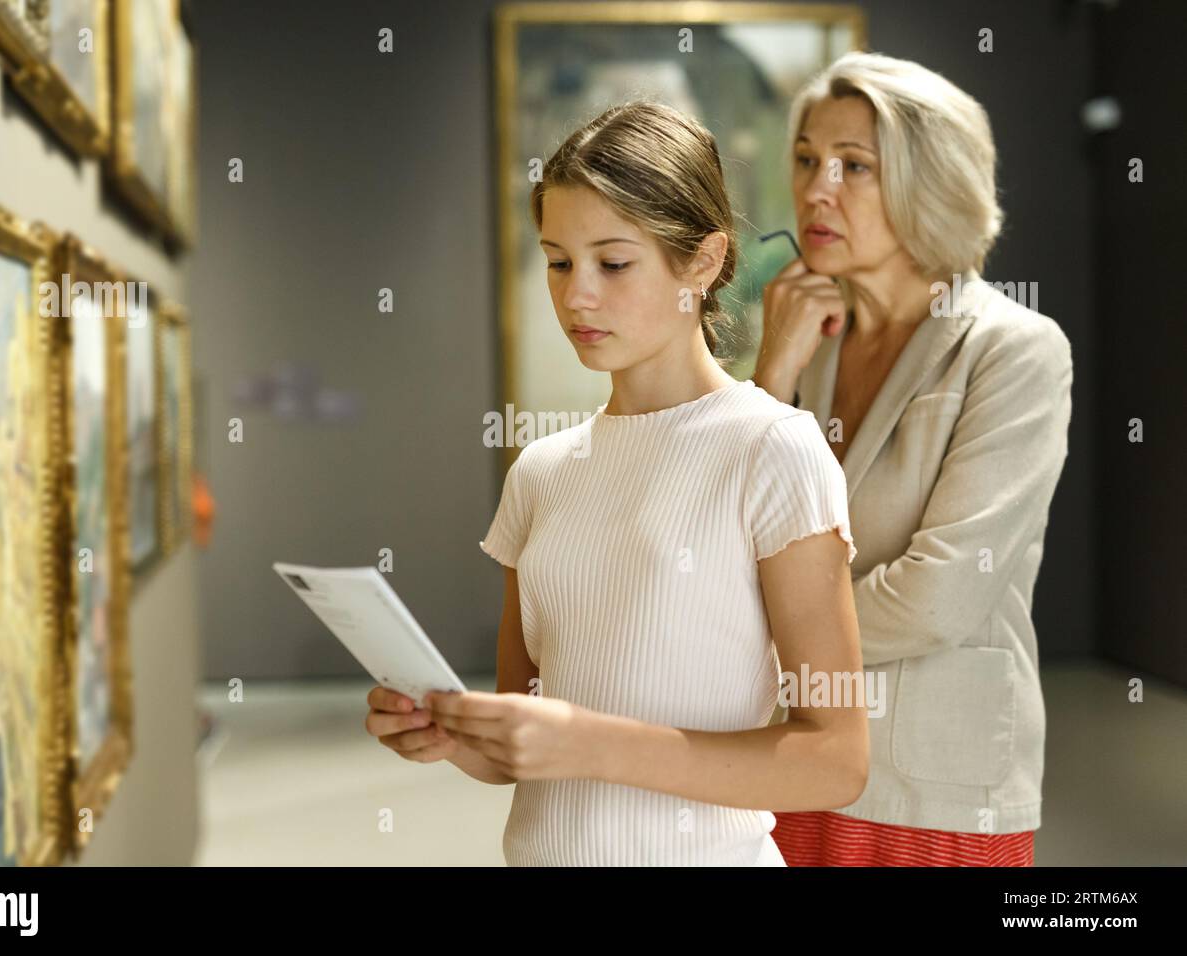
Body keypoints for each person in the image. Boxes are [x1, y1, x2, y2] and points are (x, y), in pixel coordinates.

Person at [366, 101, 869, 866]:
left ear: (701, 262)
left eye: (613, 262)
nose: (576, 297)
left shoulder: (775, 449)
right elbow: (523, 743)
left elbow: (836, 761)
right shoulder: (538, 472)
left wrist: (592, 743)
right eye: (559, 261)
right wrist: (451, 735)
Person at [755, 51, 1073, 866]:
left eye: (853, 166)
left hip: (934, 789)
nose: (816, 187)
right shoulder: (808, 345)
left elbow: (940, 597)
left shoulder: (1015, 350)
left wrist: (759, 631)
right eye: (806, 160)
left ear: (929, 183)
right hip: (791, 759)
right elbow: (732, 534)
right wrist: (771, 374)